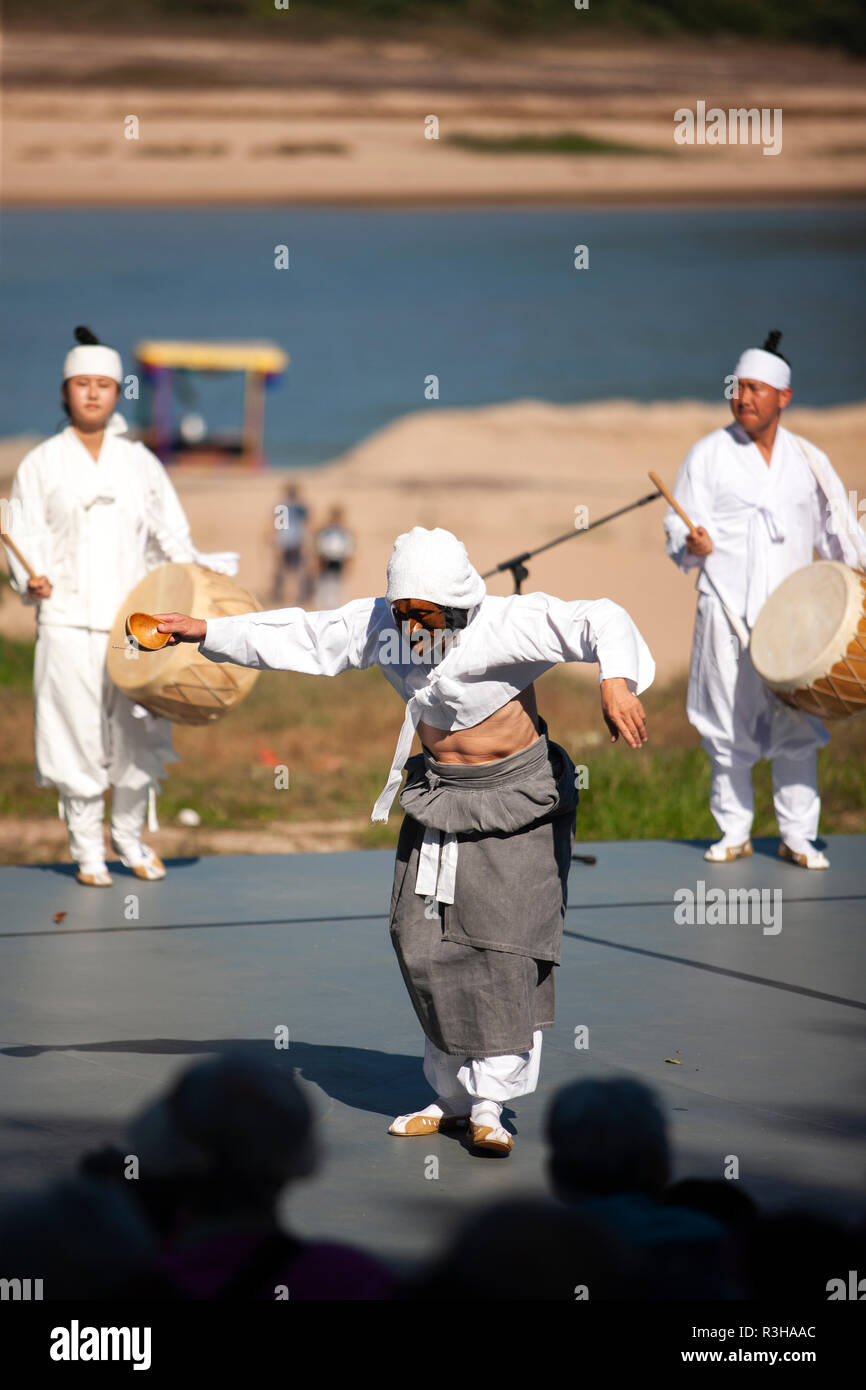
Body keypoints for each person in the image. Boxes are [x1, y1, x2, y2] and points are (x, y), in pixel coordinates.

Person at [153, 525, 653, 1157]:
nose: (412, 627)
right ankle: (447, 1098)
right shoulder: (383, 625)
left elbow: (598, 618)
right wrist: (206, 631)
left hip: (517, 800)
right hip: (441, 793)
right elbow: (301, 634)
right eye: (403, 613)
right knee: (422, 940)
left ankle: (491, 1106)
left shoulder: (507, 624)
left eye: (425, 615)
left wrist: (616, 680)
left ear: (456, 604)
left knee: (504, 945)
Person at [1, 326, 237, 887]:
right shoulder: (40, 463)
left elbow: (170, 540)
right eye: (81, 384)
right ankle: (87, 850)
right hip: (65, 623)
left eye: (102, 385)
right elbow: (23, 539)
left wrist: (199, 580)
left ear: (116, 391)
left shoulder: (140, 464)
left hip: (135, 625)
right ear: (66, 392)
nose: (91, 394)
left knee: (138, 732)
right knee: (72, 733)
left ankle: (129, 838)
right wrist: (26, 581)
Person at [664, 331, 866, 870]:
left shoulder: (809, 458)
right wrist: (691, 541)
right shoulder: (707, 454)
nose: (743, 397)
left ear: (783, 396)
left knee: (796, 727)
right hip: (724, 608)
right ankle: (734, 831)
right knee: (726, 723)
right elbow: (676, 520)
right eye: (738, 387)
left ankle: (799, 836)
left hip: (795, 615)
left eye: (755, 388)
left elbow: (837, 531)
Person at [271, 483, 309, 607]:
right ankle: (291, 598)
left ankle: (288, 598)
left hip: (286, 542)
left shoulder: (283, 506)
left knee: (287, 572)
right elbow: (306, 525)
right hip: (294, 542)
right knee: (293, 572)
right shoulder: (300, 507)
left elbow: (277, 526)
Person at [313, 504, 354, 609]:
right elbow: (318, 547)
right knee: (323, 588)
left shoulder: (344, 532)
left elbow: (348, 550)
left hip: (338, 561)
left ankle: (334, 611)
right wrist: (317, 563)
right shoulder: (325, 531)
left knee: (336, 588)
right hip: (325, 560)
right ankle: (322, 611)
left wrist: (348, 565)